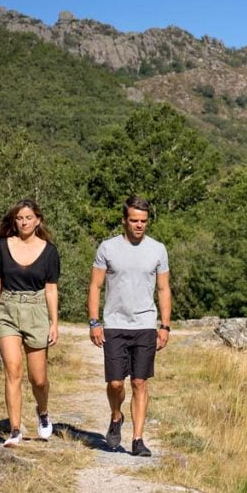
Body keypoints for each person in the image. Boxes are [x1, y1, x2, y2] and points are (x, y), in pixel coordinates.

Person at [87, 195, 171, 457]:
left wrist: (165, 326)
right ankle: (115, 416)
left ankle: (137, 439)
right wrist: (94, 321)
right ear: (124, 220)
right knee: (115, 383)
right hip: (114, 324)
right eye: (134, 220)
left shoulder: (158, 249)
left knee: (139, 382)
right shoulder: (107, 248)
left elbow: (164, 288)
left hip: (145, 324)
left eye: (143, 221)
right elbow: (95, 286)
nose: (139, 225)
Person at [0, 199, 60, 446]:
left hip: (36, 311)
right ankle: (15, 430)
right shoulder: (2, 247)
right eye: (19, 218)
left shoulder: (49, 251)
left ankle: (43, 411)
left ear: (38, 220)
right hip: (7, 310)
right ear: (14, 221)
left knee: (38, 379)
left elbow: (51, 290)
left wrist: (54, 323)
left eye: (28, 217)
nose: (24, 222)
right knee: (13, 370)